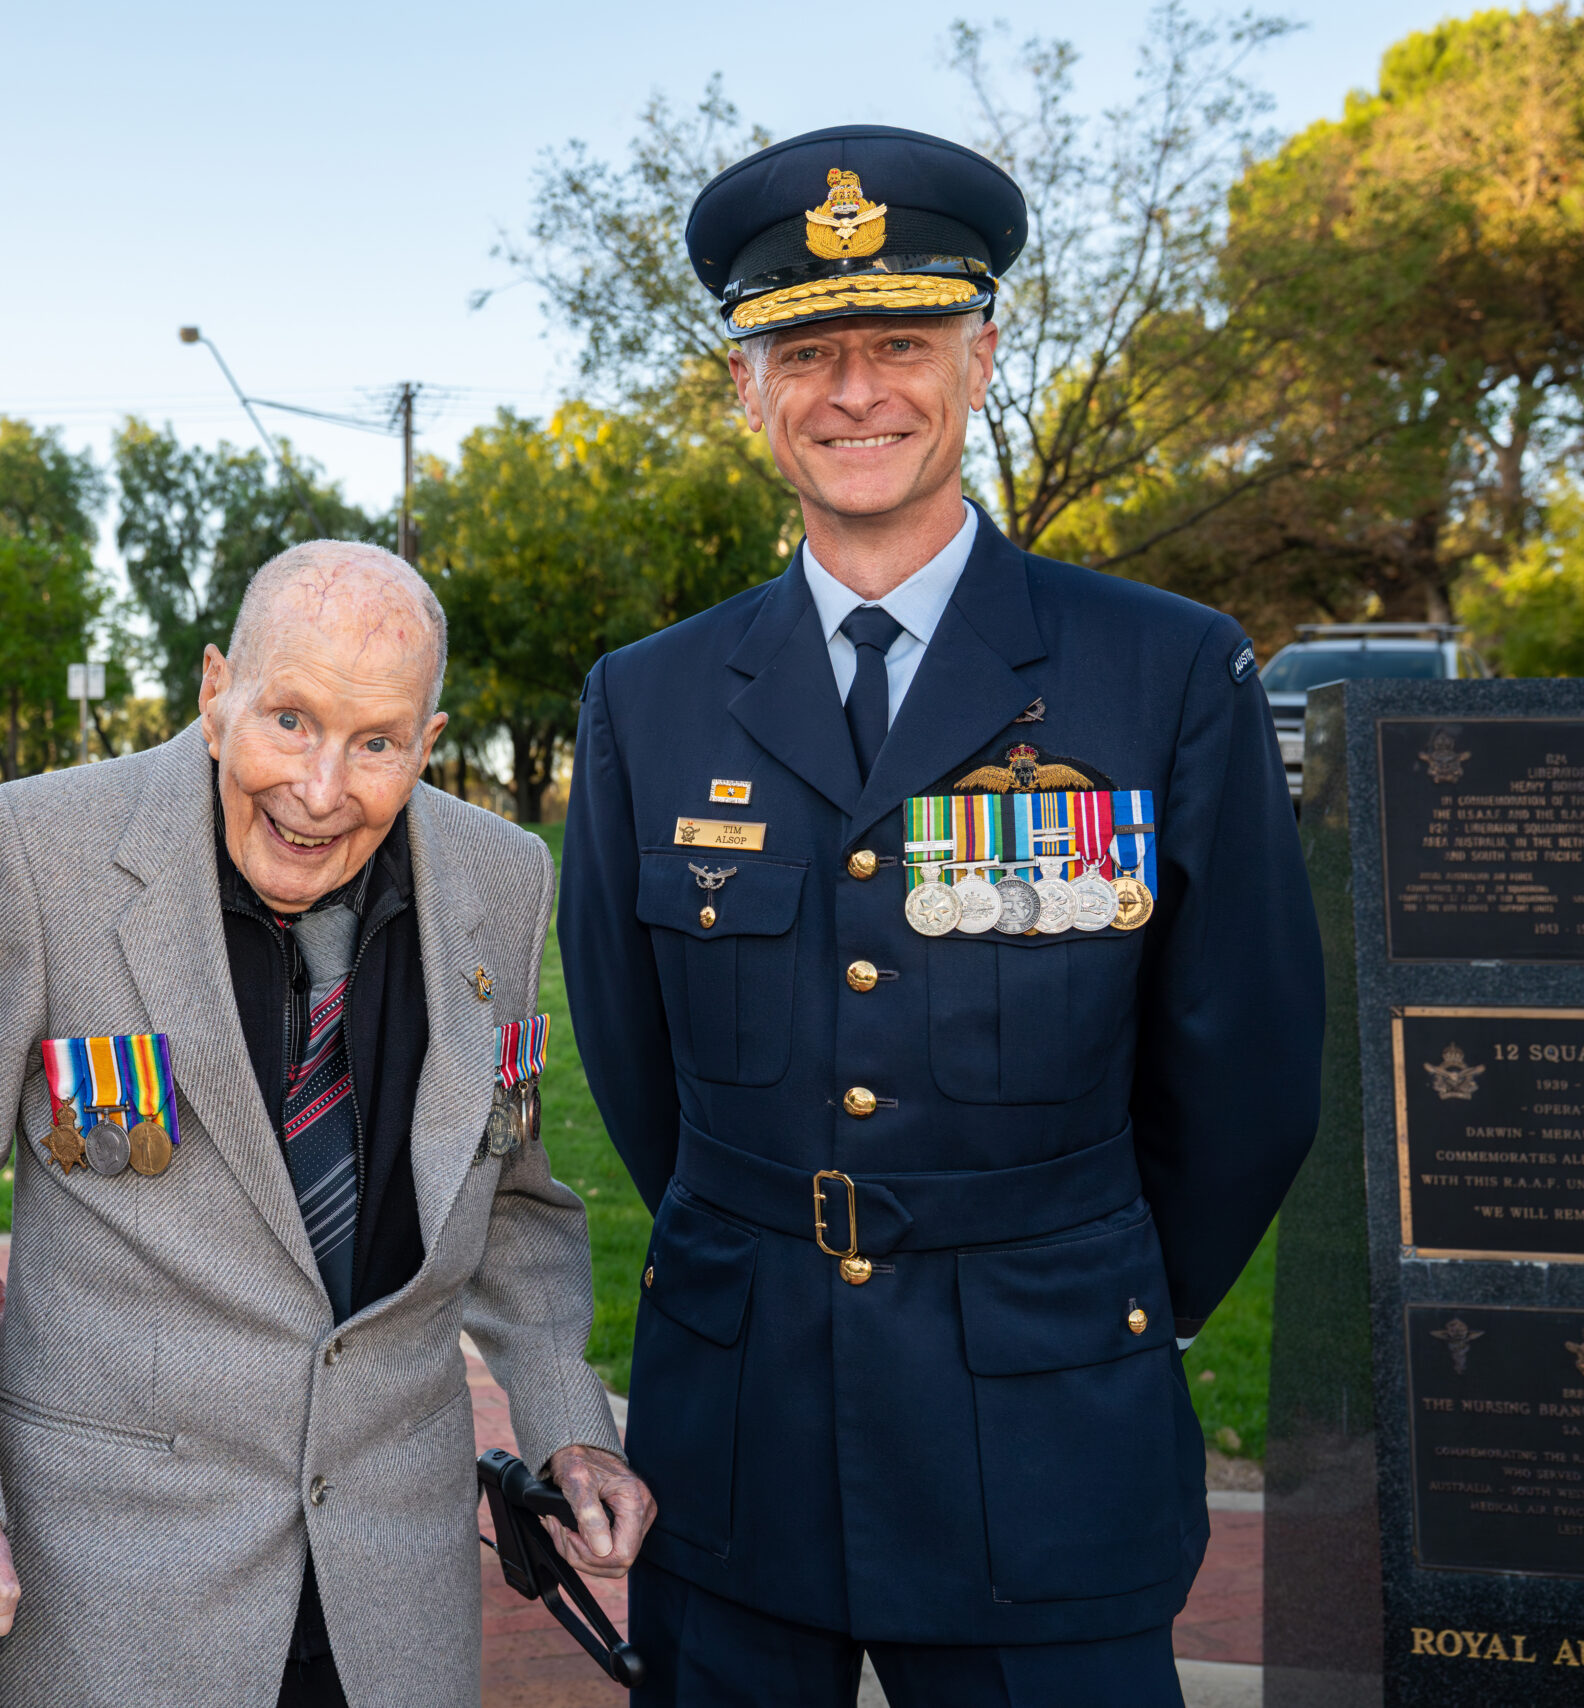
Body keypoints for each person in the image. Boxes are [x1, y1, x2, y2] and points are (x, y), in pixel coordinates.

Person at [558, 128, 1325, 1706]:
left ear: (981, 356)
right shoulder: (650, 700)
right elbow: (640, 1073)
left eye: (901, 343)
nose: (857, 393)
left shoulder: (1165, 674)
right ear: (741, 389)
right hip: (741, 1429)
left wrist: (1092, 1299)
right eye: (806, 351)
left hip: (1048, 1429)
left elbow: (1245, 1069)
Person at [0, 542, 653, 1707]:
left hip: (395, 1588)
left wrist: (570, 1425)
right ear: (214, 691)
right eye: (289, 719)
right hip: (110, 1583)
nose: (322, 788)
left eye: (376, 742)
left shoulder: (503, 877)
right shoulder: (47, 850)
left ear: (427, 746)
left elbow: (514, 1191)